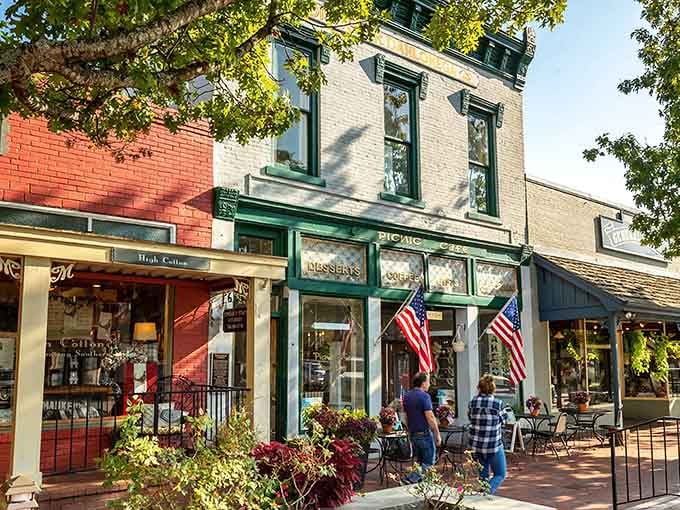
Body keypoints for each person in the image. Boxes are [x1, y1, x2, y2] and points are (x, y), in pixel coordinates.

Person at [468, 374, 508, 494]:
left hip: (476, 446)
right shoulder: (498, 403)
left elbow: (470, 418)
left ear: (479, 388)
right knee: (500, 474)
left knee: (483, 476)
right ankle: (485, 493)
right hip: (493, 445)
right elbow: (504, 421)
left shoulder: (472, 402)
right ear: (493, 389)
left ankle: (484, 493)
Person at [402, 372, 442, 483]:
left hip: (414, 433)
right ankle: (413, 480)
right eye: (428, 381)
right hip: (424, 433)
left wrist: (409, 432)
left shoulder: (407, 396)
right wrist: (437, 433)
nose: (429, 384)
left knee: (419, 462)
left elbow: (405, 417)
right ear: (423, 383)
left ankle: (414, 482)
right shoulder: (425, 396)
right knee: (428, 462)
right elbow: (430, 417)